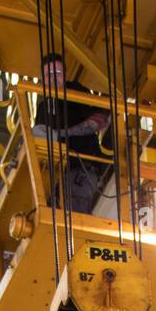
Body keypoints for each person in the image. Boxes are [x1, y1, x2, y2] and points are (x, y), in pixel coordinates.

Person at [33, 52, 111, 214]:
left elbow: (99, 120)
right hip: (56, 174)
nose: (54, 78)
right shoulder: (43, 107)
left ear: (65, 75)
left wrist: (61, 134)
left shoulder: (74, 91)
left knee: (74, 217)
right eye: (49, 74)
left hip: (80, 169)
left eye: (58, 73)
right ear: (42, 77)